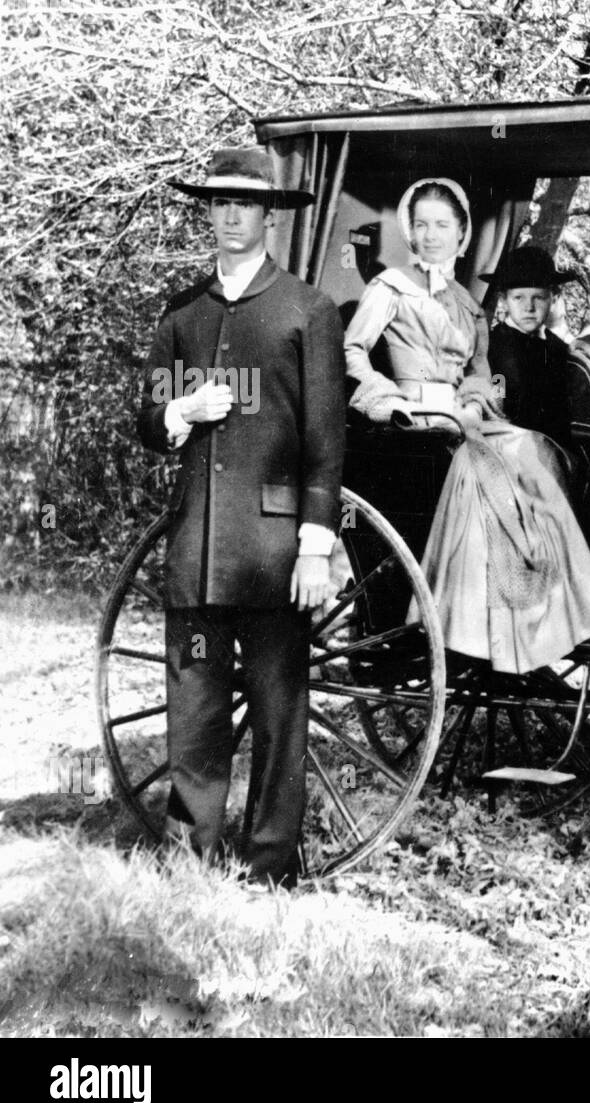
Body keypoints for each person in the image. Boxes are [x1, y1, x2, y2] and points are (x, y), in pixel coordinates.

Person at [137, 147, 345, 887]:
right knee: (194, 708)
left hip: (274, 550)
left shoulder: (307, 311)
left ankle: (267, 867)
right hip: (197, 546)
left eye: (244, 205)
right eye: (219, 204)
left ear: (267, 217)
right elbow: (145, 416)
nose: (229, 217)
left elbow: (326, 443)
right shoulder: (182, 314)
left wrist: (315, 548)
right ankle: (190, 861)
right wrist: (180, 410)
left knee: (277, 715)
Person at [344, 179, 590, 673]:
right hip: (414, 416)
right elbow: (352, 350)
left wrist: (473, 397)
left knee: (524, 451)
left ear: (462, 234)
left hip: (462, 416)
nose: (431, 236)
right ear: (409, 229)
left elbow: (478, 370)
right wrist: (387, 399)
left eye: (442, 226)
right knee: (507, 457)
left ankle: (534, 611)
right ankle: (469, 621)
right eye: (421, 224)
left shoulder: (466, 304)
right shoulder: (390, 288)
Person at [480, 245, 577, 450]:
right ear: (504, 301)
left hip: (559, 451)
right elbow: (497, 406)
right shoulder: (491, 348)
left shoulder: (562, 350)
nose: (529, 307)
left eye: (538, 297)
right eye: (519, 298)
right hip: (509, 449)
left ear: (553, 298)